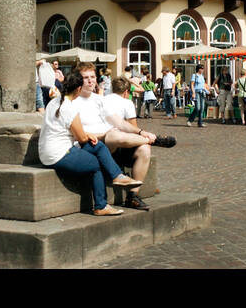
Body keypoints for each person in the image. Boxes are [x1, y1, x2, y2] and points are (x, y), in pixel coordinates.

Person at [38, 70, 142, 216]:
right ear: (79, 89)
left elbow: (71, 132)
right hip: (58, 154)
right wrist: (89, 136)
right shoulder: (70, 108)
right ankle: (101, 205)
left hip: (48, 151)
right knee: (95, 163)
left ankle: (117, 176)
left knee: (97, 146)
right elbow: (80, 138)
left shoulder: (55, 102)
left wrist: (88, 136)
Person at [93, 74, 176, 210]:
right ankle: (133, 195)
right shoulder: (127, 103)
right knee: (144, 147)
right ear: (126, 92)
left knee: (144, 148)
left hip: (109, 146)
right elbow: (134, 128)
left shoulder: (102, 99)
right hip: (110, 146)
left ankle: (132, 197)